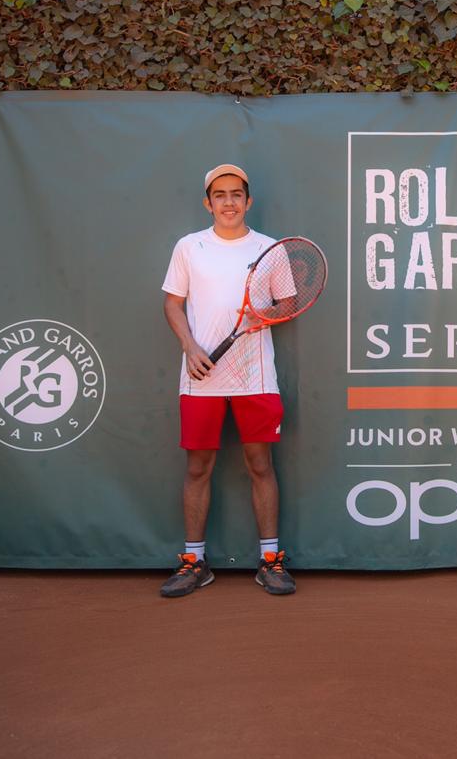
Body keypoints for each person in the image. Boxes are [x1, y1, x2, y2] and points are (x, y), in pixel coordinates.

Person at [158, 163, 295, 597]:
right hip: (202, 377)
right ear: (208, 203)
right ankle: (194, 561)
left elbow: (287, 301)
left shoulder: (271, 249)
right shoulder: (189, 247)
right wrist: (189, 346)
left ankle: (271, 560)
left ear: (248, 200)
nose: (229, 201)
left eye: (237, 194)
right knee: (198, 468)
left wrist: (266, 314)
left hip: (256, 377)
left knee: (260, 466)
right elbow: (172, 304)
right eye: (220, 195)